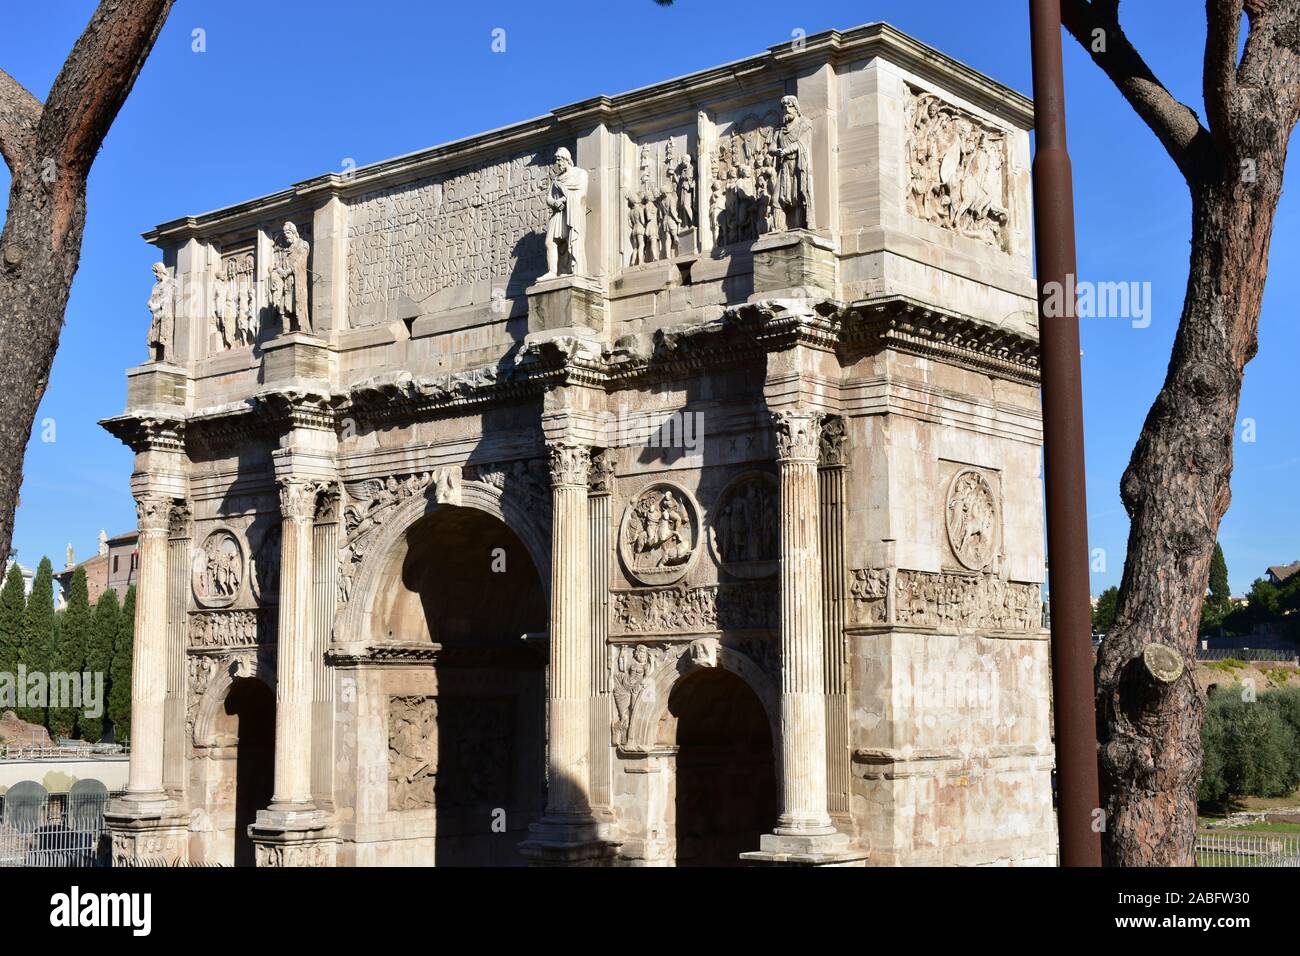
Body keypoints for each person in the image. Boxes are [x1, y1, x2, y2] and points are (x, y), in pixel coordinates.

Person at [540, 146, 588, 278]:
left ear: (567, 159)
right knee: (549, 242)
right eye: (556, 161)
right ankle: (552, 272)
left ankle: (572, 269)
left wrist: (565, 199)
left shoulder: (580, 173)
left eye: (560, 160)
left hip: (572, 212)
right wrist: (554, 202)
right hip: (558, 214)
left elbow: (582, 192)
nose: (558, 164)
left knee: (569, 241)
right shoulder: (557, 179)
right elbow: (548, 197)